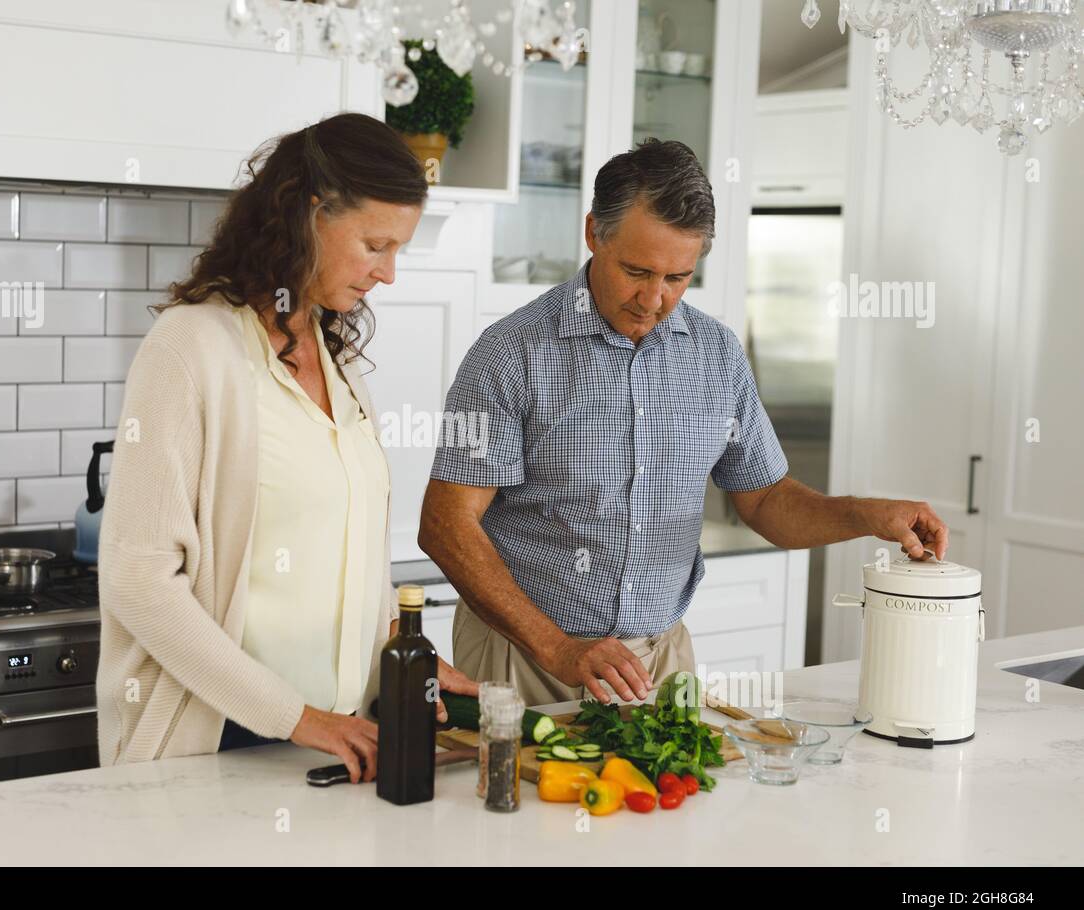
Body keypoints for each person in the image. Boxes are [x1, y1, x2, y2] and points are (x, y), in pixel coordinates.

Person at [419, 138, 949, 708]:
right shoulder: (511, 353)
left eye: (678, 277)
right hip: (524, 657)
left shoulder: (717, 354)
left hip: (660, 660)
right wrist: (560, 649)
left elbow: (766, 500)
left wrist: (867, 515)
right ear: (595, 233)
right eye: (636, 271)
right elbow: (446, 524)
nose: (653, 299)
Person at [97, 112, 477, 783]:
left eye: (399, 251)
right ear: (309, 214)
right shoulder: (191, 349)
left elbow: (347, 549)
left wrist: (399, 650)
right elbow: (139, 582)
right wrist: (297, 717)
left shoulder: (338, 363)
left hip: (340, 739)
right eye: (375, 246)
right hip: (222, 740)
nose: (388, 274)